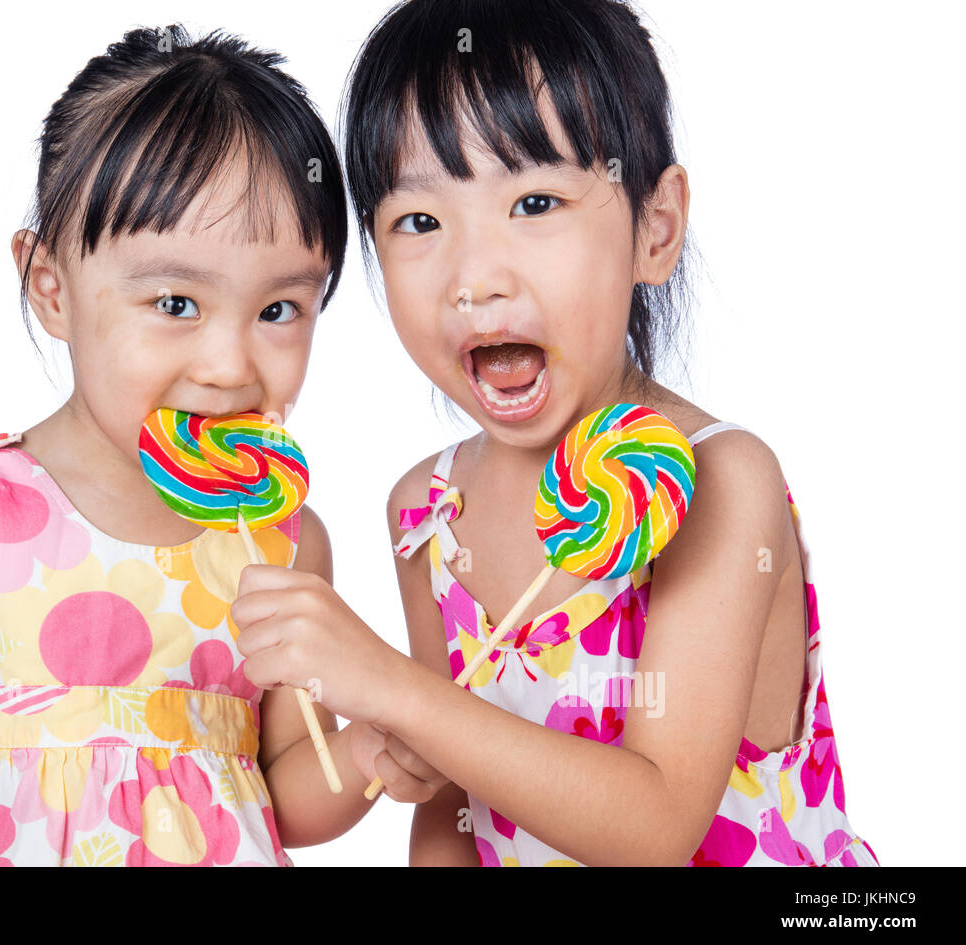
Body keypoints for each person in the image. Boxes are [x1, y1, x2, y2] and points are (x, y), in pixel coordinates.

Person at [232, 0, 878, 866]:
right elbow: (449, 812)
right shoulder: (427, 511)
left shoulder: (720, 482)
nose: (475, 278)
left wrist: (389, 685)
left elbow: (655, 824)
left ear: (656, 229)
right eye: (419, 222)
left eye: (535, 201)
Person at [0, 23, 391, 866]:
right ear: (50, 287)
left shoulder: (283, 544)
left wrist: (368, 757)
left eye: (279, 310)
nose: (229, 364)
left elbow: (280, 789)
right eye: (175, 303)